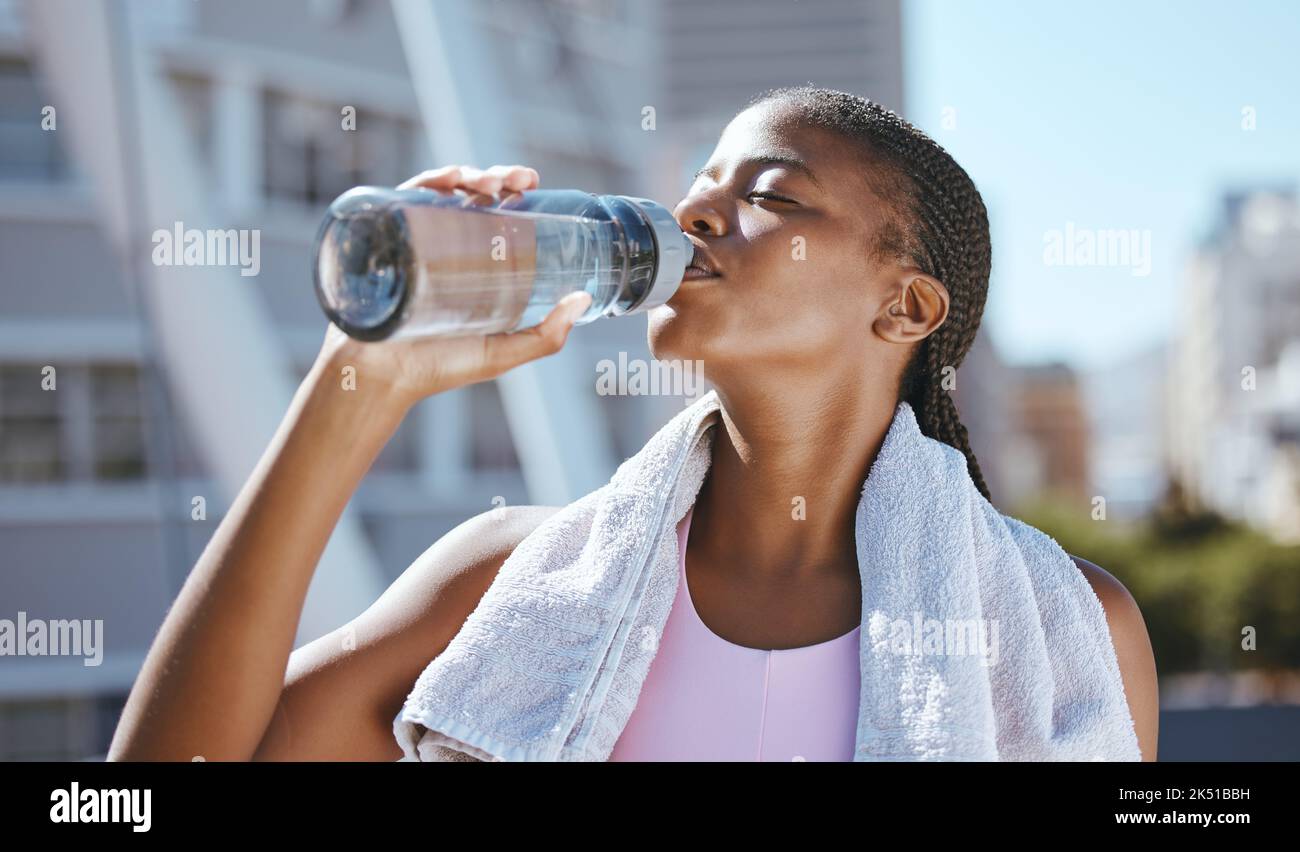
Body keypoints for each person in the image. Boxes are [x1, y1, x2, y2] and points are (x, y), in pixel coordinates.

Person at [108, 85, 1158, 762]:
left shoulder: (1067, 625)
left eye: (773, 198)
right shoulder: (510, 582)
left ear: (906, 307)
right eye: (702, 187)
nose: (696, 215)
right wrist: (354, 387)